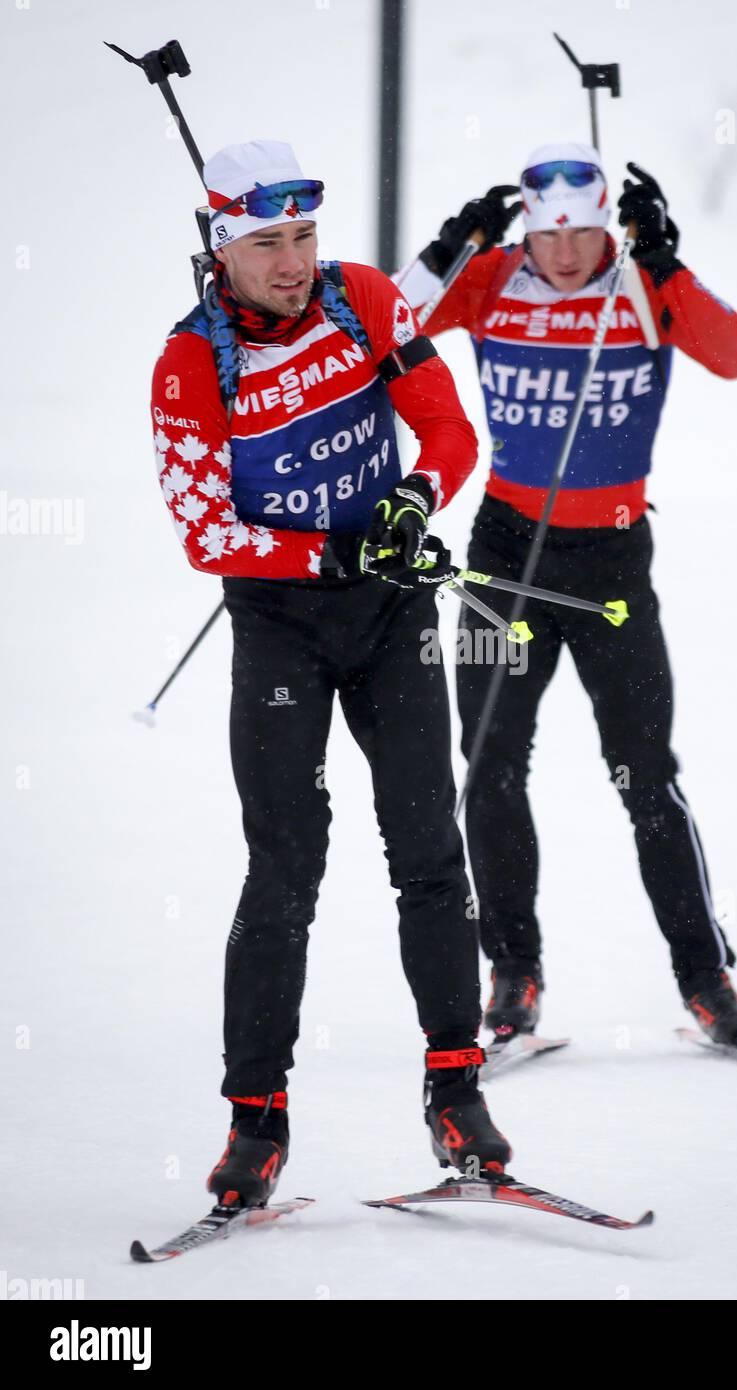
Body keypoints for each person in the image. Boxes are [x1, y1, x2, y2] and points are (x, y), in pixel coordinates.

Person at [150, 139, 511, 1208]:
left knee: (428, 846)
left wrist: (413, 500)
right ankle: (255, 1118)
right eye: (268, 242)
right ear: (223, 250)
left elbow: (446, 425)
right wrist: (327, 551)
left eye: (304, 235)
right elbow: (203, 528)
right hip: (282, 629)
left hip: (389, 615)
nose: (296, 261)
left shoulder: (361, 300)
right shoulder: (191, 359)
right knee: (284, 867)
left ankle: (457, 1082)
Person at [396, 141, 737, 1047]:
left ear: (609, 226)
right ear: (523, 225)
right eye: (548, 236)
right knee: (489, 766)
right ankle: (512, 973)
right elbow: (382, 330)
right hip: (502, 562)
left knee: (646, 774)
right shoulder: (488, 280)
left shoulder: (640, 287)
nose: (565, 256)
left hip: (613, 570)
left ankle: (704, 977)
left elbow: (736, 356)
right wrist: (447, 250)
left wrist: (669, 261)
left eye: (586, 234)